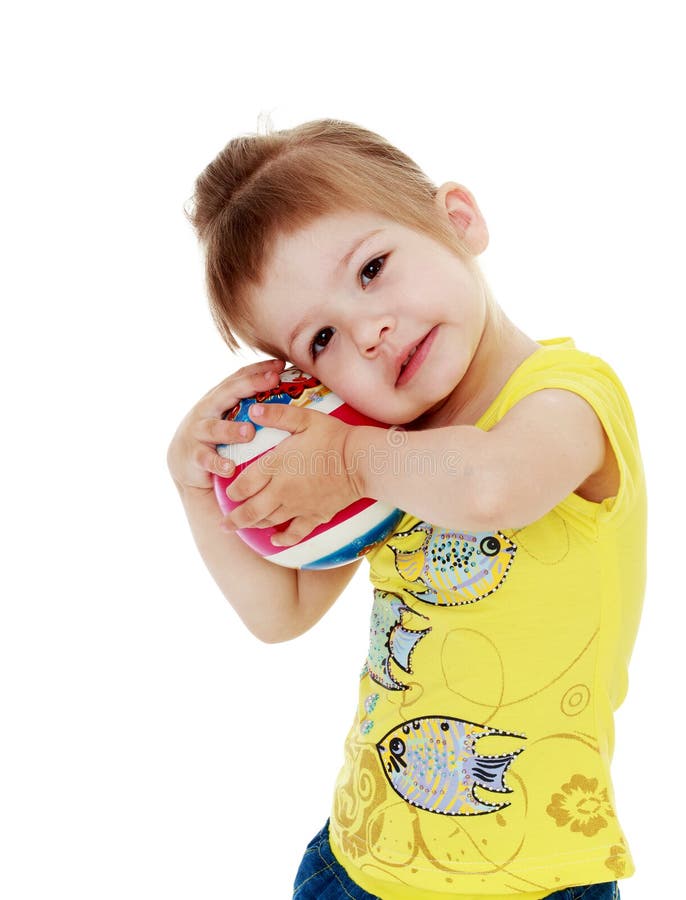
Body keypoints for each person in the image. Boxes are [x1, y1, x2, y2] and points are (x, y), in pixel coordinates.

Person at [167, 119, 646, 900]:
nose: (369, 330)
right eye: (322, 338)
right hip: (358, 863)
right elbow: (280, 610)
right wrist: (194, 484)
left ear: (457, 221)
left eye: (373, 268)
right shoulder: (385, 448)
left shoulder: (569, 396)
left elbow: (491, 488)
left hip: (535, 878)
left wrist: (349, 460)